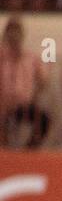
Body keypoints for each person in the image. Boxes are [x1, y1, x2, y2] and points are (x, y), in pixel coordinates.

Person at [0, 16, 48, 149]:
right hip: (3, 104)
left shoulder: (31, 57)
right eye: (11, 32)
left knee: (43, 119)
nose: (14, 36)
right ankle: (5, 153)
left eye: (17, 32)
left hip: (24, 105)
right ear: (5, 35)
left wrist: (33, 98)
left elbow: (43, 80)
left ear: (22, 35)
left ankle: (27, 152)